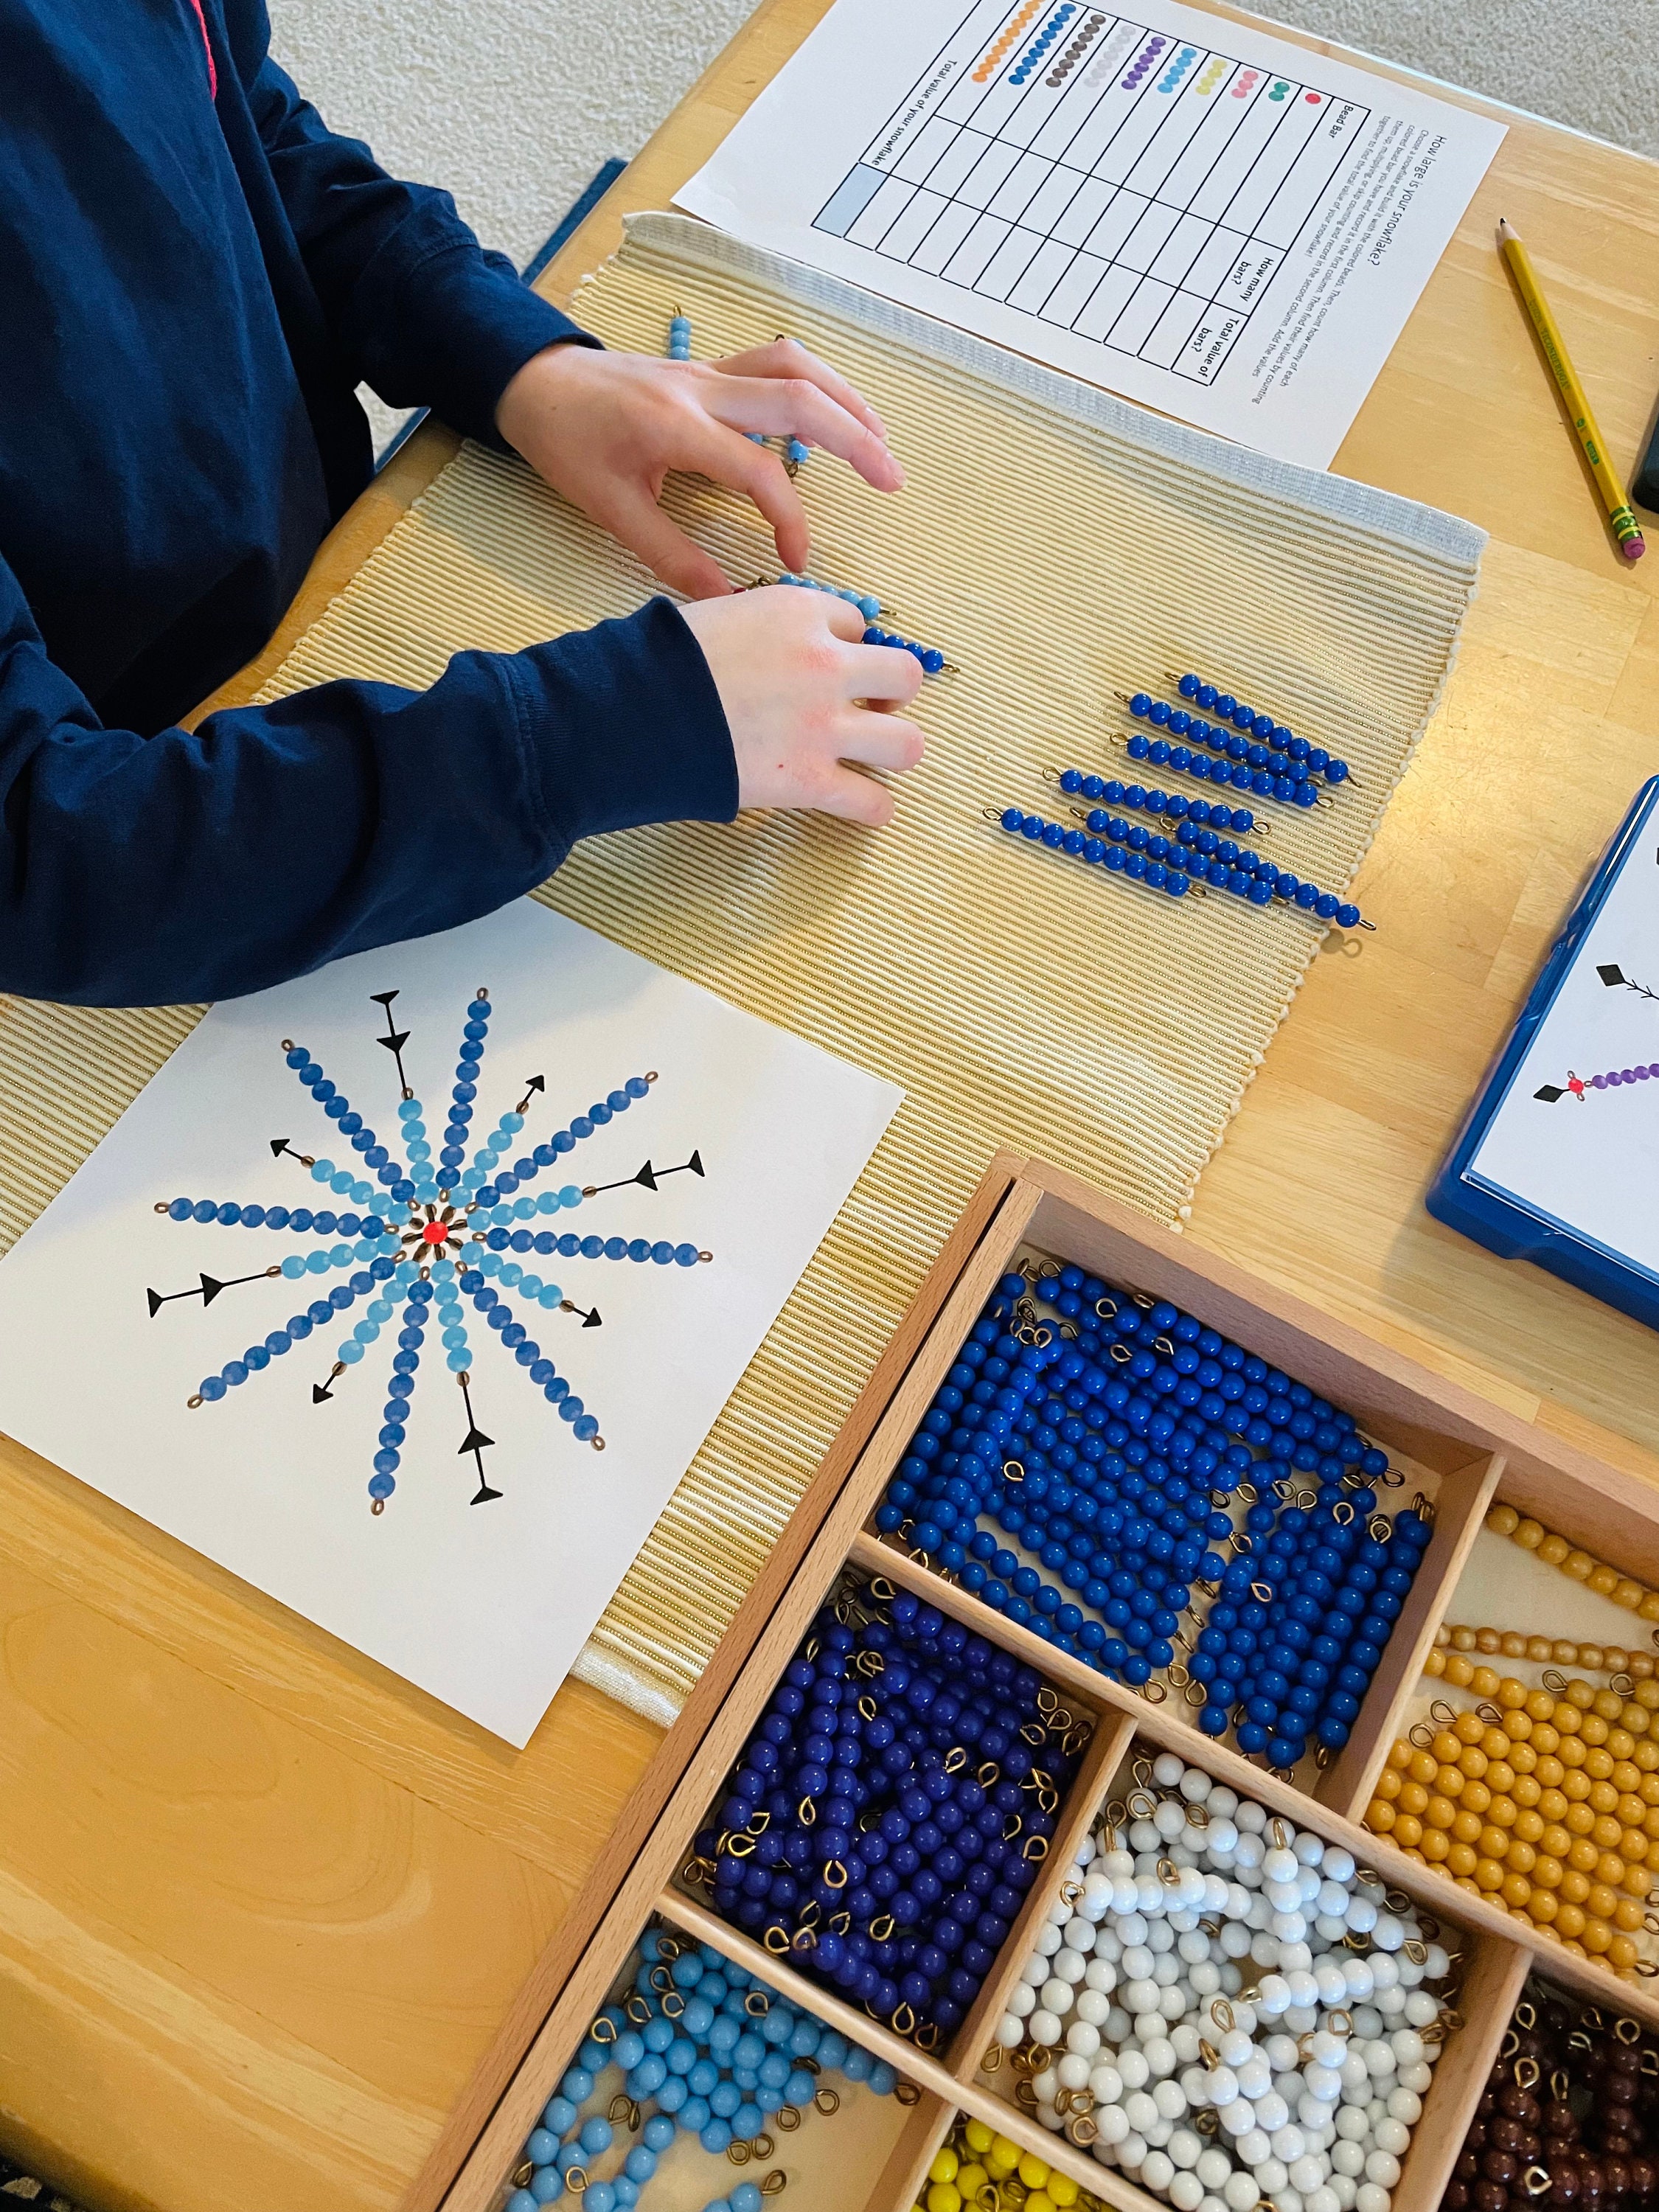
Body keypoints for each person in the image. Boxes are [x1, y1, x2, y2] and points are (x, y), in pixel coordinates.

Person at [0, 0, 925, 1009]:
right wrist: (605, 729)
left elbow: (244, 136)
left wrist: (515, 359)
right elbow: (47, 855)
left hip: (327, 607)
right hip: (167, 839)